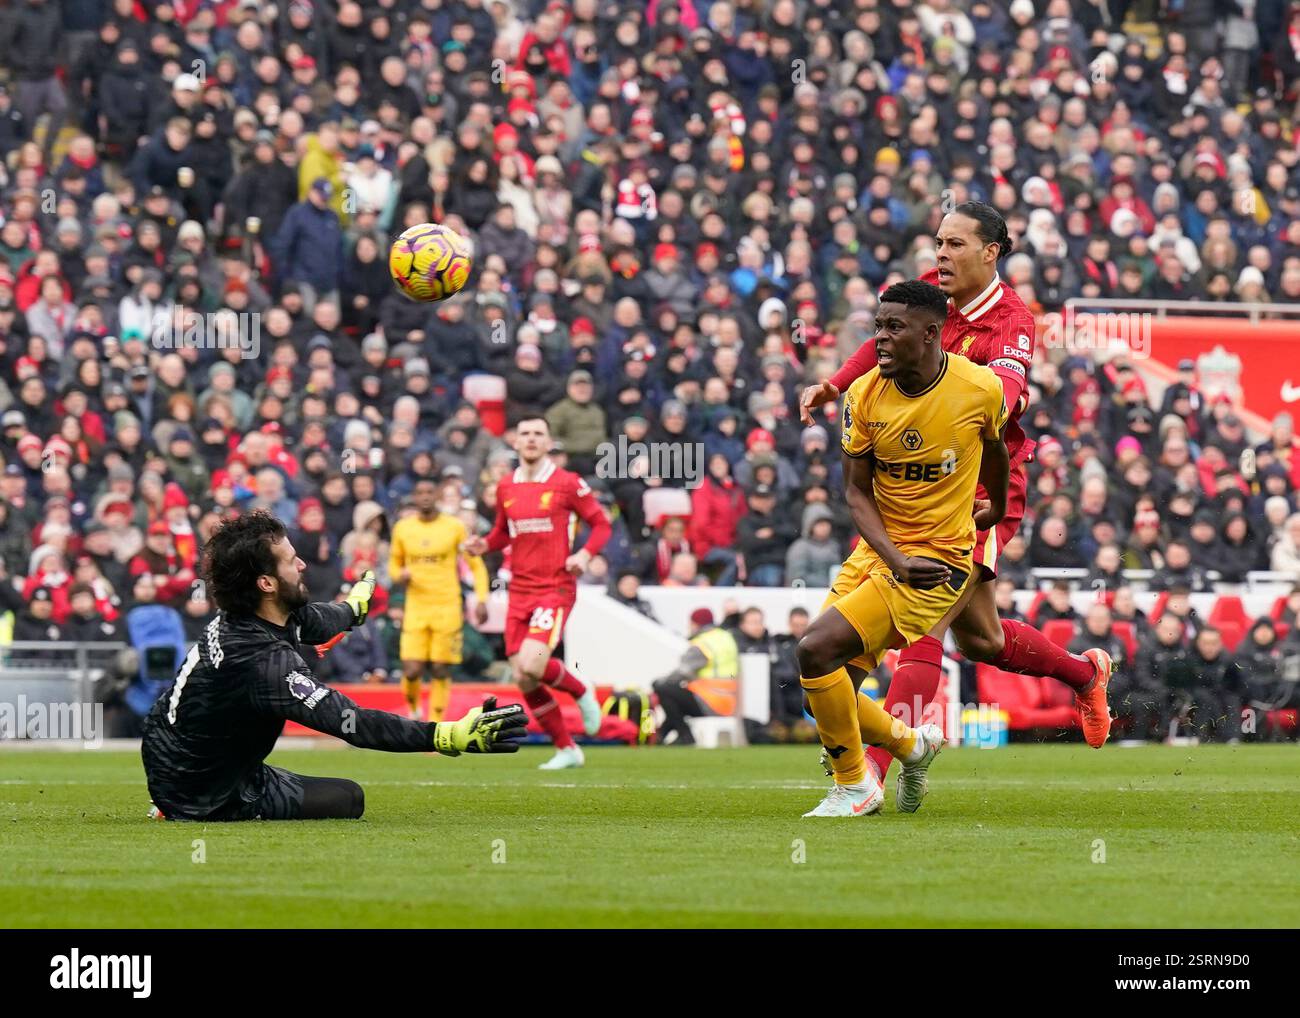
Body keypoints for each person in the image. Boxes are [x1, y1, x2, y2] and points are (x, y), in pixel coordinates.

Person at [799, 202, 1114, 784]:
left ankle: (878, 765)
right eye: (937, 243)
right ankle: (1083, 676)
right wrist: (834, 384)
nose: (939, 254)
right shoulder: (927, 300)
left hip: (981, 487)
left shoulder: (1013, 319)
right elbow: (885, 344)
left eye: (954, 244)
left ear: (990, 252)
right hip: (917, 483)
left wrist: (976, 397)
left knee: (928, 624)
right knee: (984, 639)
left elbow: (1010, 393)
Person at [141, 511, 526, 822]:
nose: (303, 564)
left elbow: (317, 620)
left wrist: (354, 608)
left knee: (338, 794)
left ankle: (173, 798)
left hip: (174, 754)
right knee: (348, 799)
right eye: (292, 561)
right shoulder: (264, 662)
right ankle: (182, 810)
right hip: (204, 790)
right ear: (266, 583)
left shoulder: (252, 614)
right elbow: (350, 723)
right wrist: (446, 736)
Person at [798, 279, 1009, 818]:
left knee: (814, 649)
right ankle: (912, 745)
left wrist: (999, 506)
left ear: (931, 333)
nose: (882, 340)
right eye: (878, 328)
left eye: (895, 328)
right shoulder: (865, 395)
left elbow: (995, 450)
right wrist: (893, 559)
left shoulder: (979, 388)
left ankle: (856, 786)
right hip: (885, 552)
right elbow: (854, 491)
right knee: (823, 689)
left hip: (939, 558)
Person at [463, 417, 610, 769]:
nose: (530, 439)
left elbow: (602, 523)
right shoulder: (506, 486)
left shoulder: (567, 483)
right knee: (524, 677)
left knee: (533, 662)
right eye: (525, 433)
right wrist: (483, 544)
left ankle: (579, 690)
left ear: (548, 443)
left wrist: (584, 555)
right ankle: (567, 749)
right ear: (516, 442)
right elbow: (503, 532)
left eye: (538, 434)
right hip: (520, 589)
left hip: (554, 587)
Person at [389, 477, 490, 721]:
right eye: (420, 492)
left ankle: (435, 725)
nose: (424, 496)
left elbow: (475, 565)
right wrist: (399, 574)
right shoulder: (403, 528)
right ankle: (414, 712)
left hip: (447, 606)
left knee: (440, 667)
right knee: (412, 669)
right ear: (414, 496)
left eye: (429, 491)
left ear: (437, 496)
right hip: (416, 607)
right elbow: (393, 564)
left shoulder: (454, 526)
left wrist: (481, 598)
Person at [651, 607, 740, 746]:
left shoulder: (702, 643)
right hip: (730, 702)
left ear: (695, 623)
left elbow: (683, 672)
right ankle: (661, 736)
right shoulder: (726, 637)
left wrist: (660, 682)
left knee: (663, 688)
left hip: (709, 702)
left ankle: (685, 735)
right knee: (675, 698)